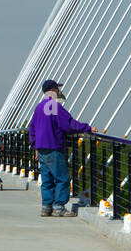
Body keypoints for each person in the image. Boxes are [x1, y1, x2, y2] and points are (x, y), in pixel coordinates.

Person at [29, 80, 92, 217]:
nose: (58, 91)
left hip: (42, 149)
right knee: (62, 178)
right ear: (54, 90)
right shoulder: (54, 106)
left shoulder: (39, 107)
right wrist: (87, 128)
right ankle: (58, 207)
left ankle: (46, 207)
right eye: (57, 88)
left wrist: (35, 146)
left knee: (47, 180)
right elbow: (68, 124)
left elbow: (32, 127)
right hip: (54, 147)